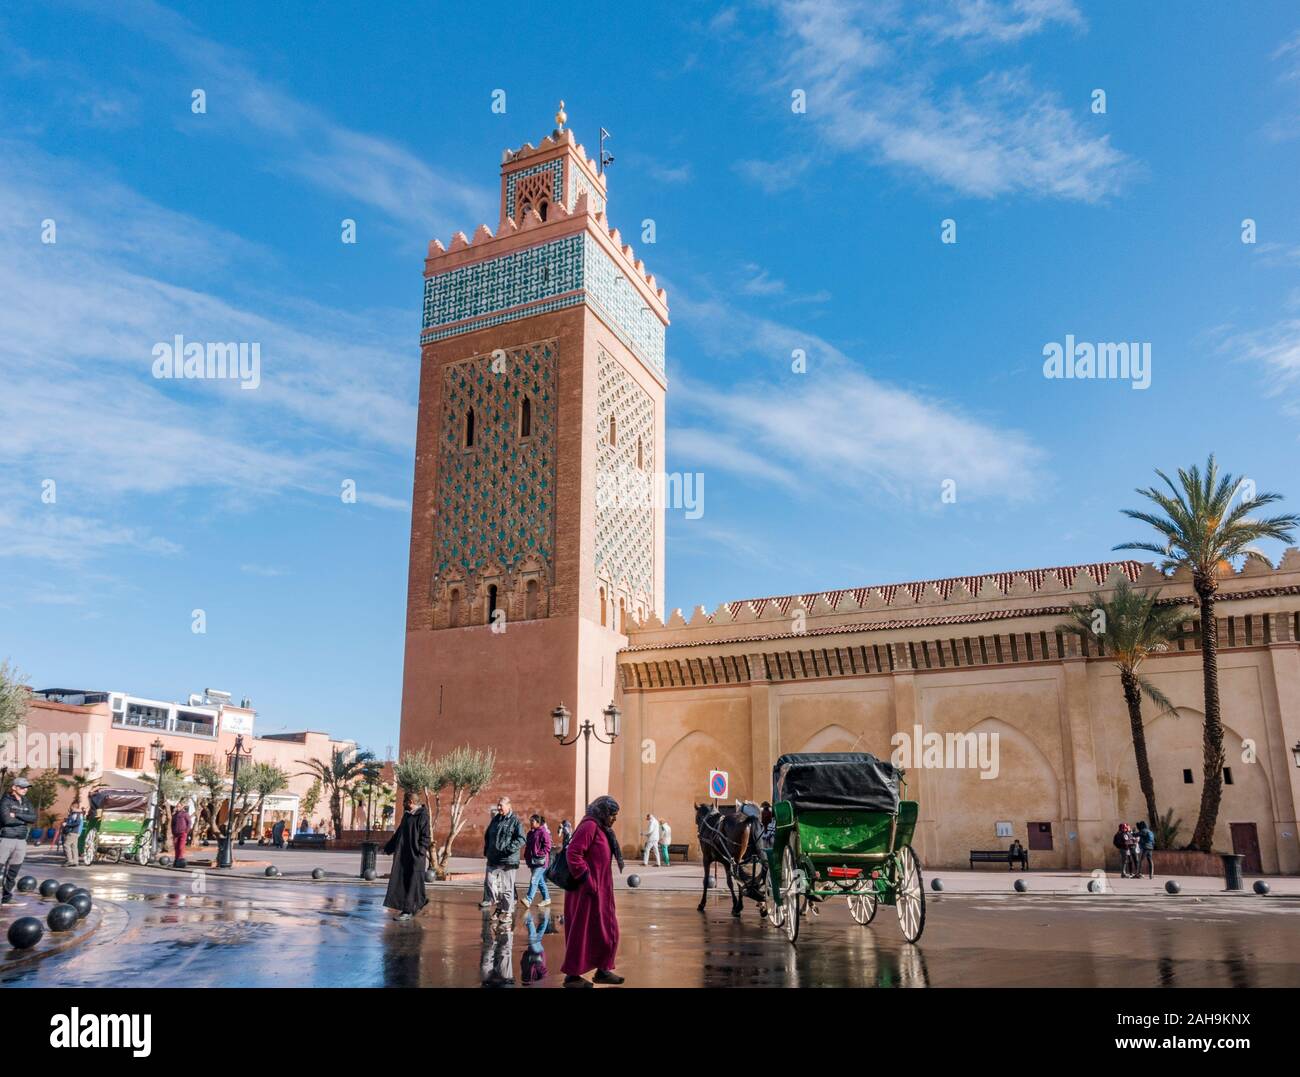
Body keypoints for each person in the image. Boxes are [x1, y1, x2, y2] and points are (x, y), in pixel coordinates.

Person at [561, 795, 625, 987]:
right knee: (582, 933)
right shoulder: (589, 826)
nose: (614, 818)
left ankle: (603, 970)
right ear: (602, 812)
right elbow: (573, 853)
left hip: (600, 890)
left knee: (607, 931)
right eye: (612, 814)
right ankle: (572, 976)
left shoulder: (602, 828)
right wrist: (587, 880)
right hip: (586, 892)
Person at [383, 790, 431, 920]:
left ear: (410, 802)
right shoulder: (407, 815)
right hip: (404, 855)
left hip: (416, 856)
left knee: (412, 882)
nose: (403, 804)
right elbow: (399, 833)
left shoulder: (423, 816)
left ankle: (407, 911)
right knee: (407, 881)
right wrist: (389, 848)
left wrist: (420, 852)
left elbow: (426, 837)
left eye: (404, 802)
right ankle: (420, 900)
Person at [483, 796, 525, 918]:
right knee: (490, 883)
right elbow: (488, 835)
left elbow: (522, 839)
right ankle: (499, 905)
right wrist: (487, 850)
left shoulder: (515, 821)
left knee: (507, 888)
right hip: (493, 858)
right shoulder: (496, 819)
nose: (499, 807)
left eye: (501, 805)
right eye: (498, 805)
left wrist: (509, 849)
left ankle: (507, 912)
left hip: (508, 859)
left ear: (509, 806)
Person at [1, 778, 37, 904]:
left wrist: (16, 815)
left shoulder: (27, 802)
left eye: (26, 787)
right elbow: (6, 820)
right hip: (6, 839)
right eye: (22, 787)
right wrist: (24, 820)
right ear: (14, 787)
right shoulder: (5, 800)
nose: (25, 789)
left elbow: (33, 818)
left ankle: (6, 897)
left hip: (21, 841)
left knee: (13, 872)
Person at [523, 813, 553, 908]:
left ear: (538, 822)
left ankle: (528, 899)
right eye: (530, 821)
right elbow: (528, 846)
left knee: (534, 879)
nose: (531, 823)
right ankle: (547, 898)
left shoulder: (544, 832)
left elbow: (548, 846)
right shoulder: (531, 833)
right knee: (540, 881)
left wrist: (539, 853)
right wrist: (527, 855)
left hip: (541, 862)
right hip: (532, 861)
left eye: (532, 821)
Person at [61, 801, 85, 867]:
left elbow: (77, 823)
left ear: (74, 807)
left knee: (66, 844)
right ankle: (75, 861)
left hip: (73, 832)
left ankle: (70, 861)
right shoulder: (79, 814)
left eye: (71, 806)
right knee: (74, 847)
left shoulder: (76, 814)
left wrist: (67, 824)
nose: (70, 808)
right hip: (76, 832)